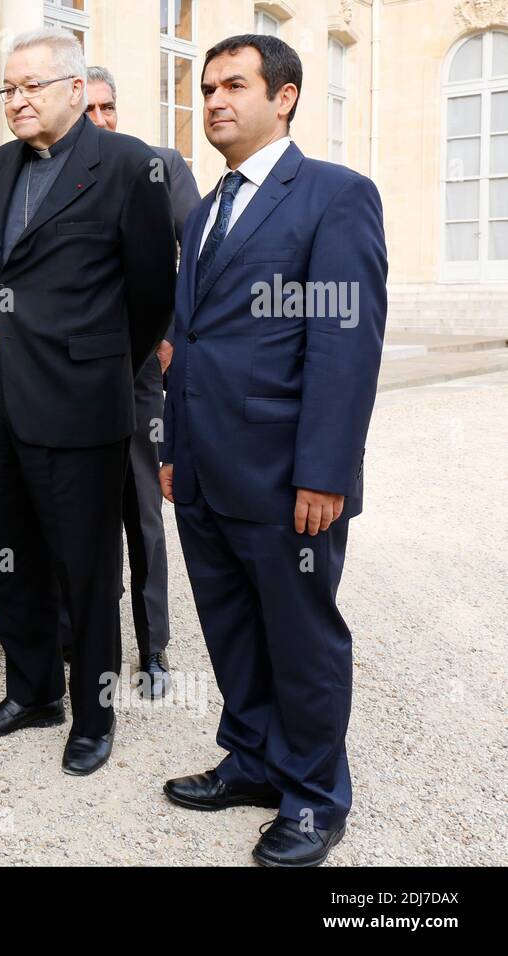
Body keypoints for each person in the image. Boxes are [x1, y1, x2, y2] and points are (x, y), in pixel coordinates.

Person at [160, 35, 387, 867]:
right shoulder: (209, 206)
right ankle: (253, 759)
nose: (215, 100)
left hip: (288, 475)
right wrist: (174, 450)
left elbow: (345, 344)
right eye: (207, 87)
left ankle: (316, 796)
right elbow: (188, 338)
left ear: (284, 97)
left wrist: (325, 471)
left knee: (301, 636)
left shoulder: (334, 196)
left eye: (234, 86)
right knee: (230, 627)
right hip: (206, 471)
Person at [0, 28, 176, 775]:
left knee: (85, 569)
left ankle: (93, 715)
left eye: (31, 87)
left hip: (79, 406)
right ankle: (34, 692)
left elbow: (150, 295)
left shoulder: (127, 166)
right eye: (7, 88)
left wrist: (101, 367)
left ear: (76, 91)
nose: (16, 100)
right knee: (10, 563)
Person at [71, 65, 202, 697]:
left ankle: (154, 649)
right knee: (80, 513)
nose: (101, 118)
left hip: (142, 370)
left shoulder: (162, 164)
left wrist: (171, 334)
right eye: (89, 108)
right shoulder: (59, 173)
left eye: (109, 106)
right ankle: (84, 639)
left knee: (143, 513)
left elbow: (199, 254)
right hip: (71, 372)